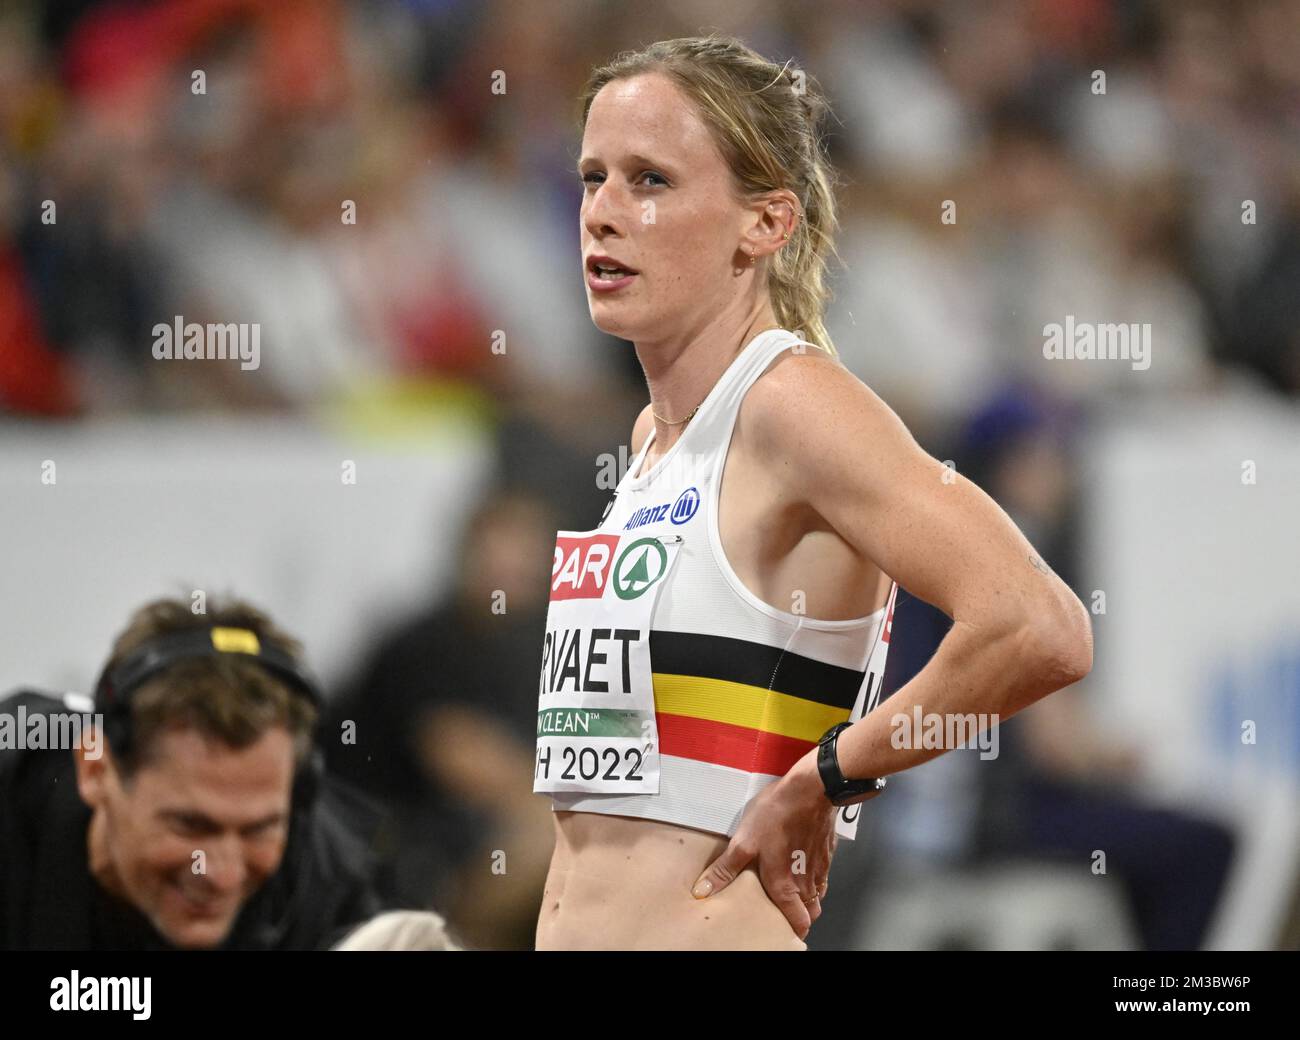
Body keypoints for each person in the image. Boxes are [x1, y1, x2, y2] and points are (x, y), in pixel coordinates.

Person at [533, 35, 1093, 951]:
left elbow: (1040, 625)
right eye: (594, 178)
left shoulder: (789, 405)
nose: (601, 213)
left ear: (766, 223)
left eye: (651, 180)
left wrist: (830, 774)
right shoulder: (651, 442)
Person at [0, 596, 383, 950]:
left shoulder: (334, 898)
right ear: (96, 771)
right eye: (191, 826)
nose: (223, 875)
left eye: (258, 829)